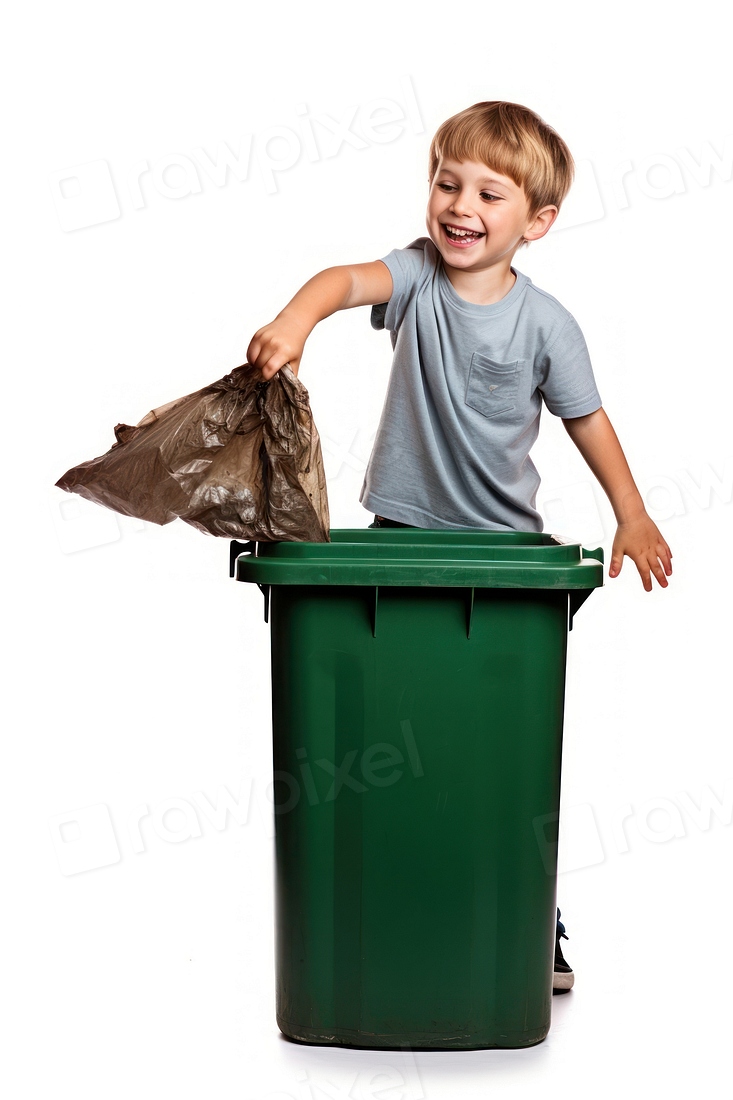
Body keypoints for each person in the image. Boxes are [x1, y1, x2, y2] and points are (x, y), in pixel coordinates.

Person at [246, 100, 673, 992]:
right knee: (399, 755)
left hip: (505, 560)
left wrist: (630, 514)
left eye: (489, 192)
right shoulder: (415, 280)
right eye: (447, 182)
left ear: (537, 221)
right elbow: (339, 280)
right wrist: (296, 322)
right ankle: (393, 899)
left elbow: (589, 422)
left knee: (496, 781)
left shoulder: (548, 324)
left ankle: (529, 929)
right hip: (400, 540)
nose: (460, 205)